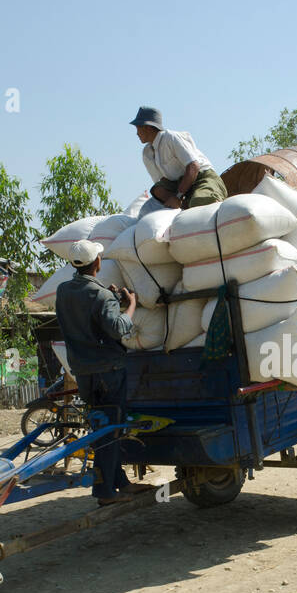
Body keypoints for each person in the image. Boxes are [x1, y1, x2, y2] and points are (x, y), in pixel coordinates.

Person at [54, 239, 149, 505]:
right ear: (97, 263)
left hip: (83, 372)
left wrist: (109, 298)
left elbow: (88, 310)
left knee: (101, 426)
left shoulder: (63, 291)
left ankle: (119, 482)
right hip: (109, 372)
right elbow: (118, 329)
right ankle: (105, 492)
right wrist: (130, 304)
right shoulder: (101, 296)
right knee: (111, 430)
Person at [131, 106, 228, 210]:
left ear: (148, 128)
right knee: (158, 190)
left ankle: (196, 202)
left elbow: (193, 167)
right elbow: (161, 182)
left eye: (138, 128)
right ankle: (184, 205)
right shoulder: (147, 153)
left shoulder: (171, 138)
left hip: (201, 177)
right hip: (180, 184)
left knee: (200, 203)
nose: (137, 133)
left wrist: (177, 196)